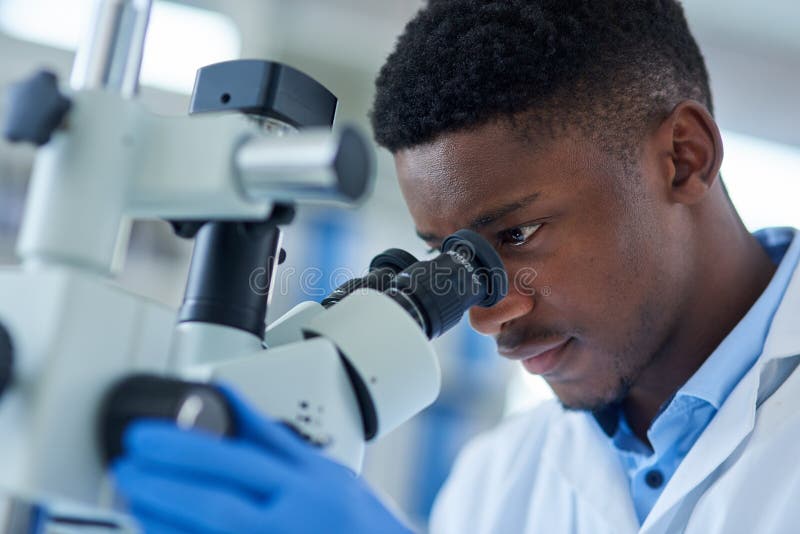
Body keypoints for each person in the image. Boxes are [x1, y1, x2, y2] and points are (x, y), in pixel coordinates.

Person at [112, 1, 800, 533]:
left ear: (684, 158)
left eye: (518, 234)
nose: (486, 315)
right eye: (450, 258)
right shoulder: (495, 482)